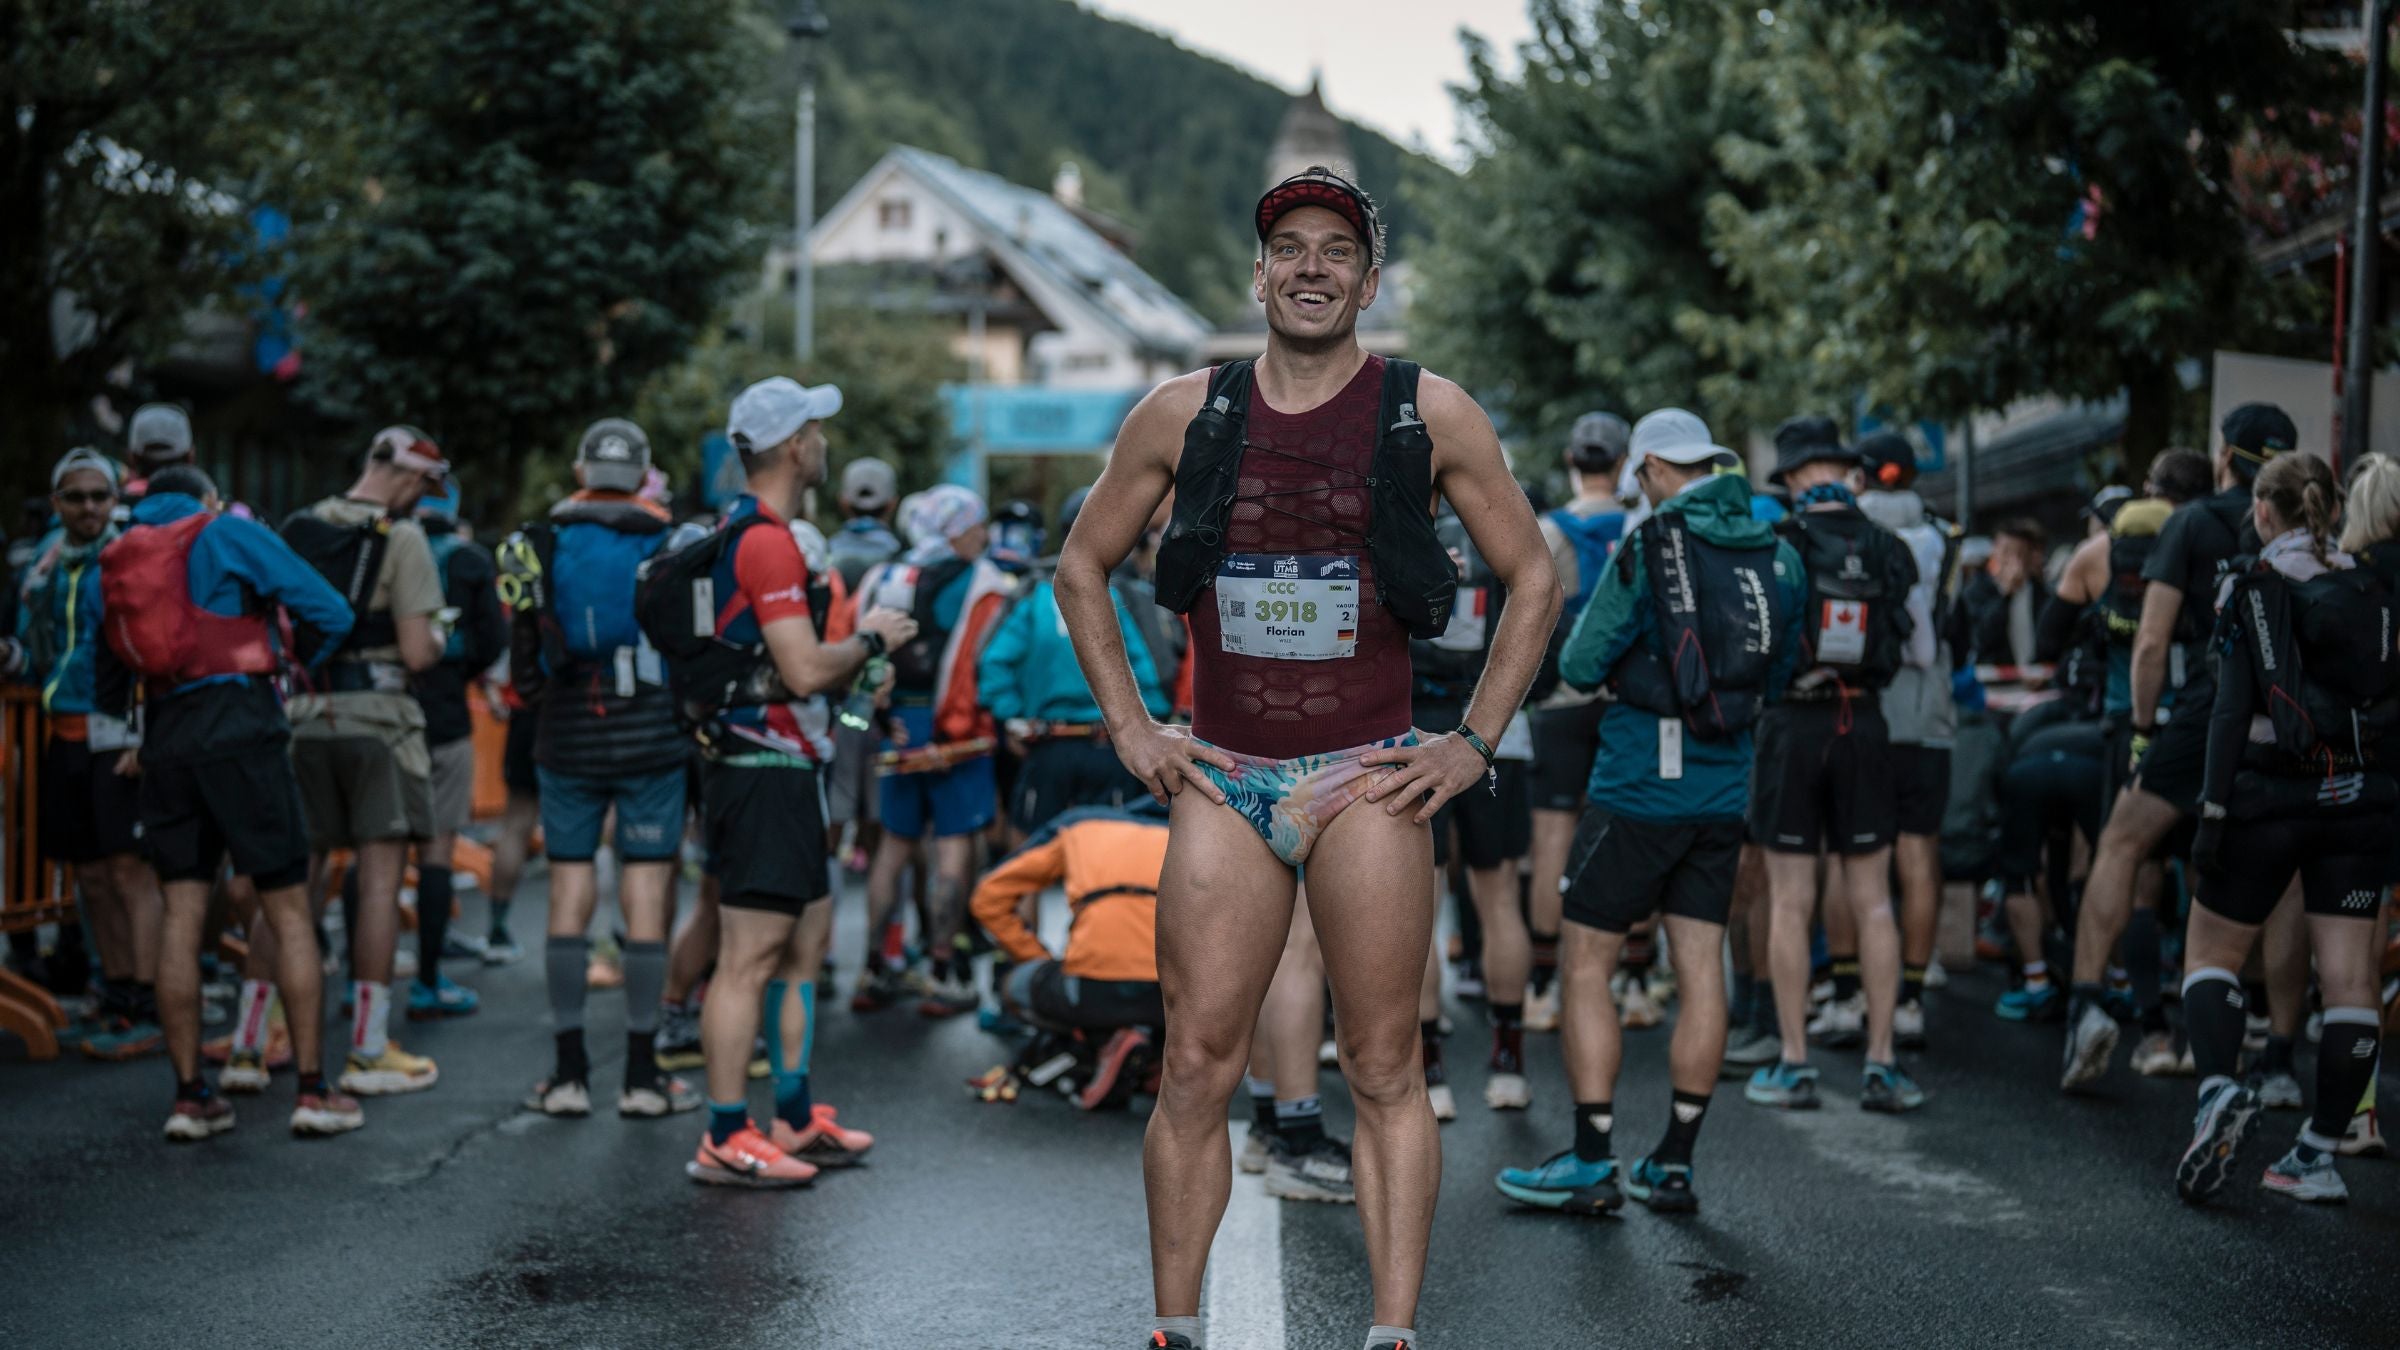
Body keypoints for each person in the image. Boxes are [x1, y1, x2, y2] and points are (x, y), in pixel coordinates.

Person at [1058, 164, 1558, 1350]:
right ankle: (1175, 1329)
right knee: (1195, 1070)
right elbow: (1081, 564)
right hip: (1224, 775)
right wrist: (1132, 726)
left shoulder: (1427, 411)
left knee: (1383, 1068)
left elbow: (1533, 575)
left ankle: (1392, 1335)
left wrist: (1475, 744)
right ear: (1262, 272)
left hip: (1369, 775)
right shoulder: (1185, 412)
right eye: (1293, 248)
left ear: (1370, 281)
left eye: (1338, 248)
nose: (1314, 266)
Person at [1496, 409, 1802, 1216]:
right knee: (1700, 966)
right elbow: (1782, 672)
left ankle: (1592, 1159)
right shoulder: (1778, 552)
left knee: (1586, 961)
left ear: (1657, 469)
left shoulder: (1651, 543)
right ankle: (1674, 1162)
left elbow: (1582, 659)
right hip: (1723, 786)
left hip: (1637, 784)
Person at [672, 376, 915, 1187]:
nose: (823, 442)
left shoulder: (762, 532)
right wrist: (872, 641)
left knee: (804, 946)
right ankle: (723, 1134)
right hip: (758, 769)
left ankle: (796, 1114)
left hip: (791, 765)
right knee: (748, 957)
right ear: (792, 447)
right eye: (815, 429)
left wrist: (860, 678)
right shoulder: (768, 540)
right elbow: (806, 669)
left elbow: (815, 690)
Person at [97, 464, 364, 1139]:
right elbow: (332, 610)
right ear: (208, 497)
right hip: (243, 729)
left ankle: (190, 1099)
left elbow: (106, 675)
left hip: (167, 740)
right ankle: (312, 1091)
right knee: (287, 908)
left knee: (182, 914)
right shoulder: (224, 534)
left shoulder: (123, 556)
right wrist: (291, 664)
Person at [2175, 452, 2390, 1206]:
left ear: (2264, 512)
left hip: (2267, 797)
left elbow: (2232, 712)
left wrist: (2211, 810)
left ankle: (2215, 1089)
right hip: (2359, 801)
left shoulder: (2255, 583)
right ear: (2330, 505)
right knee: (2353, 979)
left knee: (2210, 953)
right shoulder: (2371, 586)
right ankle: (2319, 1153)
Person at [2063, 405, 2295, 1091]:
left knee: (2121, 844)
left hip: (2205, 712)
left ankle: (2086, 1008)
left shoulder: (2191, 522)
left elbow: (2152, 642)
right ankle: (2278, 1053)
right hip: (2285, 723)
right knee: (2283, 881)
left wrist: (2141, 730)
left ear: (2225, 455)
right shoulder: (2312, 530)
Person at [498, 418, 700, 1118]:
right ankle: (643, 1077)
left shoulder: (538, 540)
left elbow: (521, 644)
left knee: (569, 887)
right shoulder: (674, 540)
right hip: (652, 733)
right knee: (644, 891)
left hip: (565, 730)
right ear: (643, 473)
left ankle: (568, 1075)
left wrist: (535, 695)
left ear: (582, 471)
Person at [1744, 415, 1925, 1114]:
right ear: (1846, 471)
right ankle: (1883, 1063)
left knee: (1792, 900)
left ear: (1791, 477)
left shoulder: (1777, 541)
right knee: (1874, 897)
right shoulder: (1887, 545)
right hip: (1868, 724)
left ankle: (1794, 1063)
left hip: (1791, 726)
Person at [280, 426, 449, 1097]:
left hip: (301, 718)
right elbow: (415, 652)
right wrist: (438, 635)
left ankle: (250, 1042)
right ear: (408, 478)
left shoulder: (296, 527)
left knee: (289, 887)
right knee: (378, 885)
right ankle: (370, 1047)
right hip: (378, 723)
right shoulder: (401, 538)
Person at [2034, 452, 2211, 1064]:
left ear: (2149, 489)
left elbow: (2046, 637)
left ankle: (2129, 1020)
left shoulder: (2101, 553)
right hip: (2213, 725)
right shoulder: (2223, 542)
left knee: (2128, 864)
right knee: (2215, 884)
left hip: (2132, 726)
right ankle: (2229, 1038)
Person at [11, 449, 165, 1058]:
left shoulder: (130, 556)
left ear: (114, 498)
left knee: (130, 871)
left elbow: (150, 649)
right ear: (57, 503)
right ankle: (116, 993)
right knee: (93, 876)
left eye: (100, 495)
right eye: (76, 497)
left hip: (118, 736)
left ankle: (149, 1002)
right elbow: (37, 652)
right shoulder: (49, 564)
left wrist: (143, 733)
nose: (90, 508)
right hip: (64, 733)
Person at [853, 484, 1015, 1016]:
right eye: (974, 526)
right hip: (959, 730)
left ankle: (874, 967)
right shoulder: (985, 582)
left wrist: (879, 718)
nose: (983, 535)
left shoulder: (888, 576)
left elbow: (860, 649)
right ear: (954, 528)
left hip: (899, 724)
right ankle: (944, 970)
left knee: (893, 847)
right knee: (953, 846)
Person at [1411, 504, 1535, 1113]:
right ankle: (1508, 1063)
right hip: (1496, 727)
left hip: (1415, 728)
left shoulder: (1400, 525)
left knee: (1421, 903)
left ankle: (1431, 1071)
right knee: (1499, 894)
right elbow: (1545, 633)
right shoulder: (1500, 531)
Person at [979, 485, 1168, 843]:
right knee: (1111, 857)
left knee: (1027, 853)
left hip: (1046, 742)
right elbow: (1150, 672)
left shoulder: (1036, 594)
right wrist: (1150, 724)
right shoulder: (1124, 597)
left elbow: (995, 663)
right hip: (1111, 746)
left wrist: (1012, 716)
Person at [1525, 412, 1630, 1033]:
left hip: (1561, 704)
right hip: (1626, 706)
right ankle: (1634, 980)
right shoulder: (1644, 527)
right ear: (1622, 464)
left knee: (1551, 843)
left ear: (1572, 460)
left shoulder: (1547, 531)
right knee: (1625, 838)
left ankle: (1544, 984)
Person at [1853, 431, 1956, 1051]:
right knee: (1920, 855)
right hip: (1930, 714)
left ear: (1860, 476)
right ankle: (1912, 995)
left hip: (1863, 710)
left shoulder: (1845, 529)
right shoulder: (1947, 536)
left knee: (1856, 860)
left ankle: (1848, 992)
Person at [974, 803, 1168, 1109]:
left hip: (1090, 991)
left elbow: (989, 895)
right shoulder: (1187, 836)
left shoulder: (1077, 825)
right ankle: (1158, 1057)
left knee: (1013, 985)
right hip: (1170, 1001)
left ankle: (1104, 1043)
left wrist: (1035, 958)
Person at [399, 477, 507, 1018]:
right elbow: (492, 638)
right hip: (445, 714)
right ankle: (426, 980)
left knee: (378, 853)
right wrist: (461, 671)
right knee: (438, 846)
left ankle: (356, 985)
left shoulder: (385, 545)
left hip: (388, 710)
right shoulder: (468, 560)